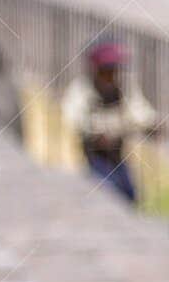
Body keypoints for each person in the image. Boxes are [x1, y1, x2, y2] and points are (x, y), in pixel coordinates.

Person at [61, 41, 157, 204]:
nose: (112, 75)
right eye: (107, 70)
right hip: (96, 159)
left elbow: (140, 111)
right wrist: (94, 134)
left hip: (117, 157)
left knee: (130, 195)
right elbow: (74, 118)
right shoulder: (82, 90)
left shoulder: (123, 89)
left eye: (114, 70)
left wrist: (151, 124)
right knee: (107, 194)